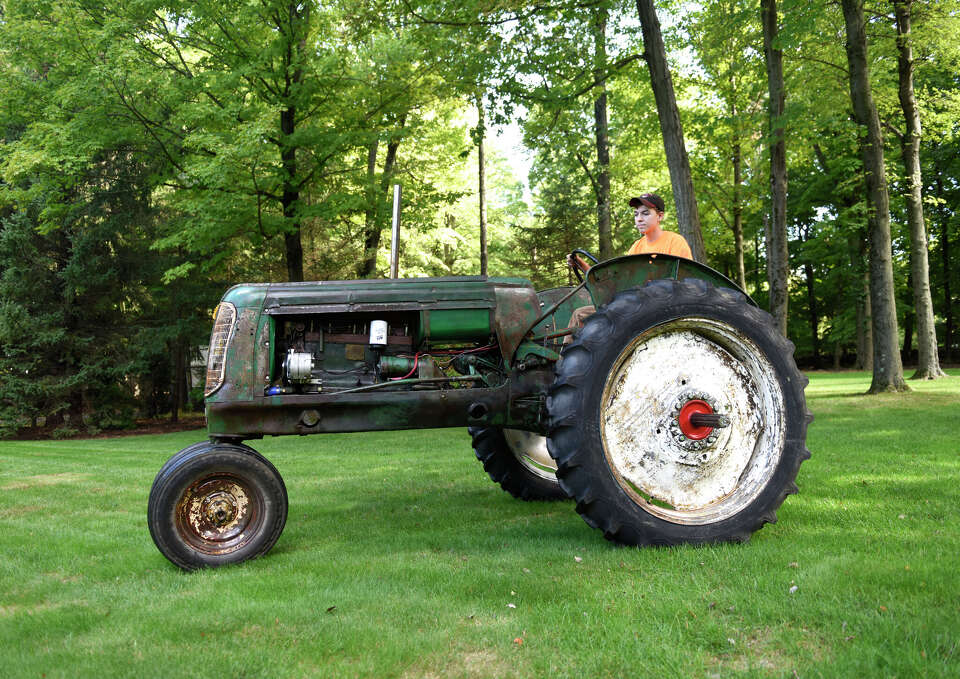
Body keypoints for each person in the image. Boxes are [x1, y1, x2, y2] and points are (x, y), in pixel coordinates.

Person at [565, 193, 692, 340]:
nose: (639, 219)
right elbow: (618, 283)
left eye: (645, 213)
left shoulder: (674, 241)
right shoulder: (636, 247)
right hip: (633, 304)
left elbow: (682, 283)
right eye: (636, 214)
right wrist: (580, 264)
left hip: (660, 306)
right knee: (580, 314)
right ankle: (568, 355)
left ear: (660, 216)